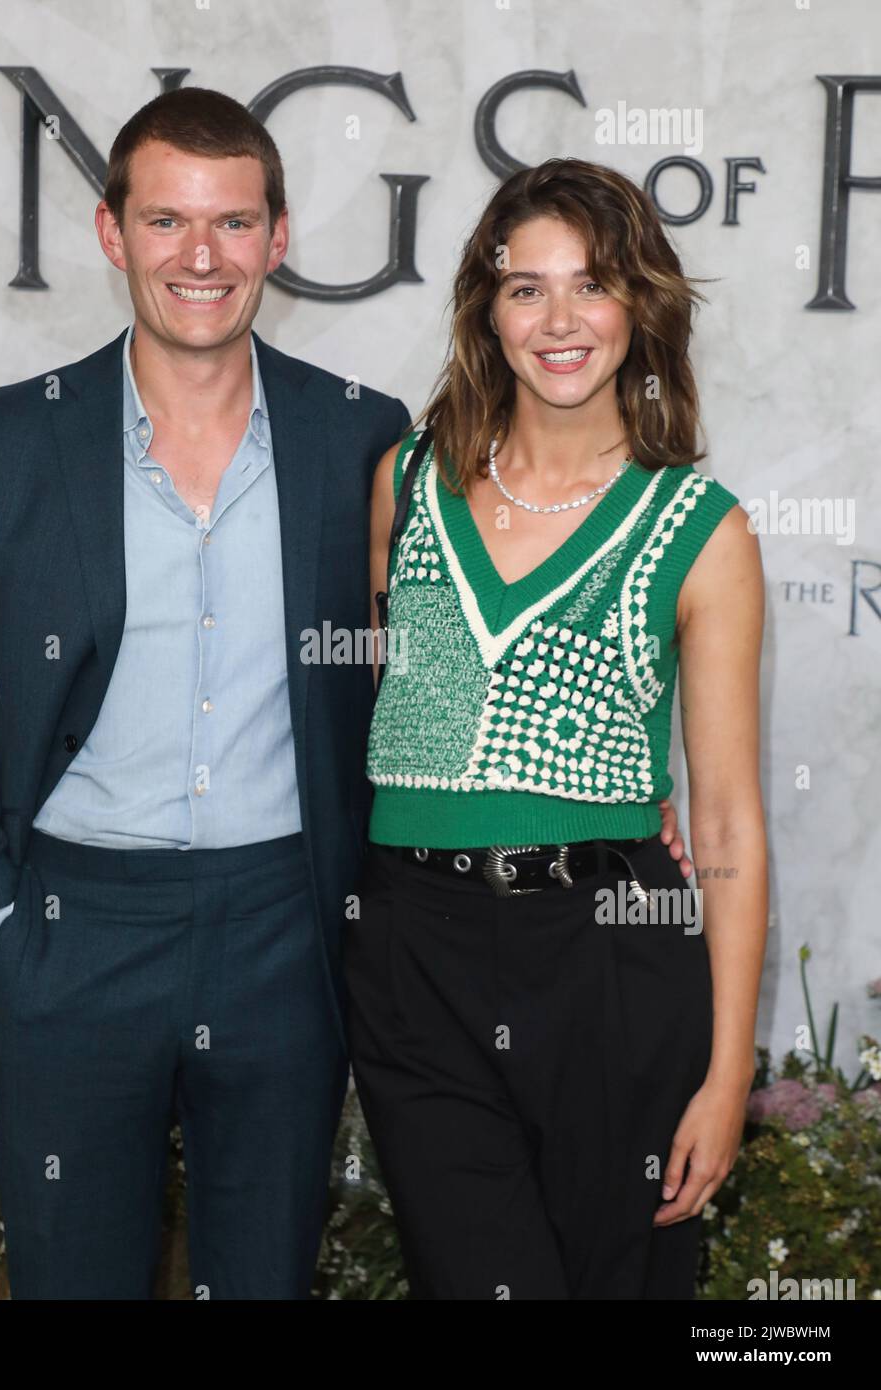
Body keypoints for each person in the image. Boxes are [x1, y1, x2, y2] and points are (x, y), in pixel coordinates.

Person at [0, 86, 413, 1300]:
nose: (199, 255)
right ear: (109, 232)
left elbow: (427, 677)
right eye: (166, 220)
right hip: (73, 929)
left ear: (278, 238)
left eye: (232, 223)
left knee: (264, 1277)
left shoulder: (361, 440)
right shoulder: (5, 441)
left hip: (283, 927)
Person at [343, 157, 768, 1300]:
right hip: (411, 953)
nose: (559, 319)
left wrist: (727, 1074)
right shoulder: (406, 483)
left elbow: (724, 814)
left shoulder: (701, 531)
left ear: (640, 306)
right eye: (525, 288)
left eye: (590, 284)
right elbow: (398, 720)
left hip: (607, 956)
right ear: (487, 309)